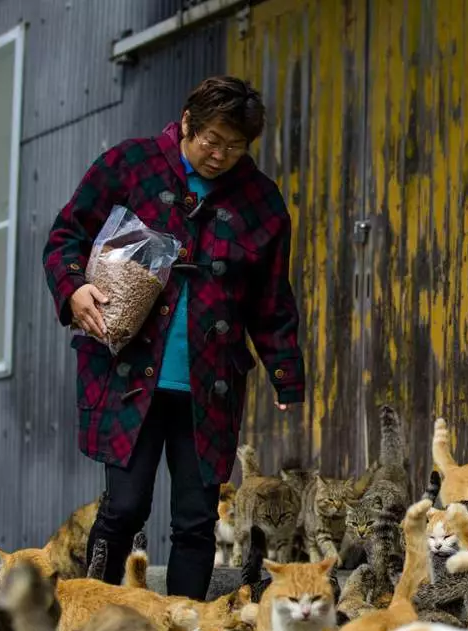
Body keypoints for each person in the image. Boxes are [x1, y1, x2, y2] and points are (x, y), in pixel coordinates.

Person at [42, 76, 304, 600]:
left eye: (234, 146)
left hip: (209, 385)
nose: (220, 155)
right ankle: (96, 613)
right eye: (211, 139)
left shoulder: (261, 202)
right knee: (124, 507)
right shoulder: (129, 165)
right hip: (128, 370)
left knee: (195, 518)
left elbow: (271, 299)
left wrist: (284, 372)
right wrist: (73, 289)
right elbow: (65, 235)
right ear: (187, 122)